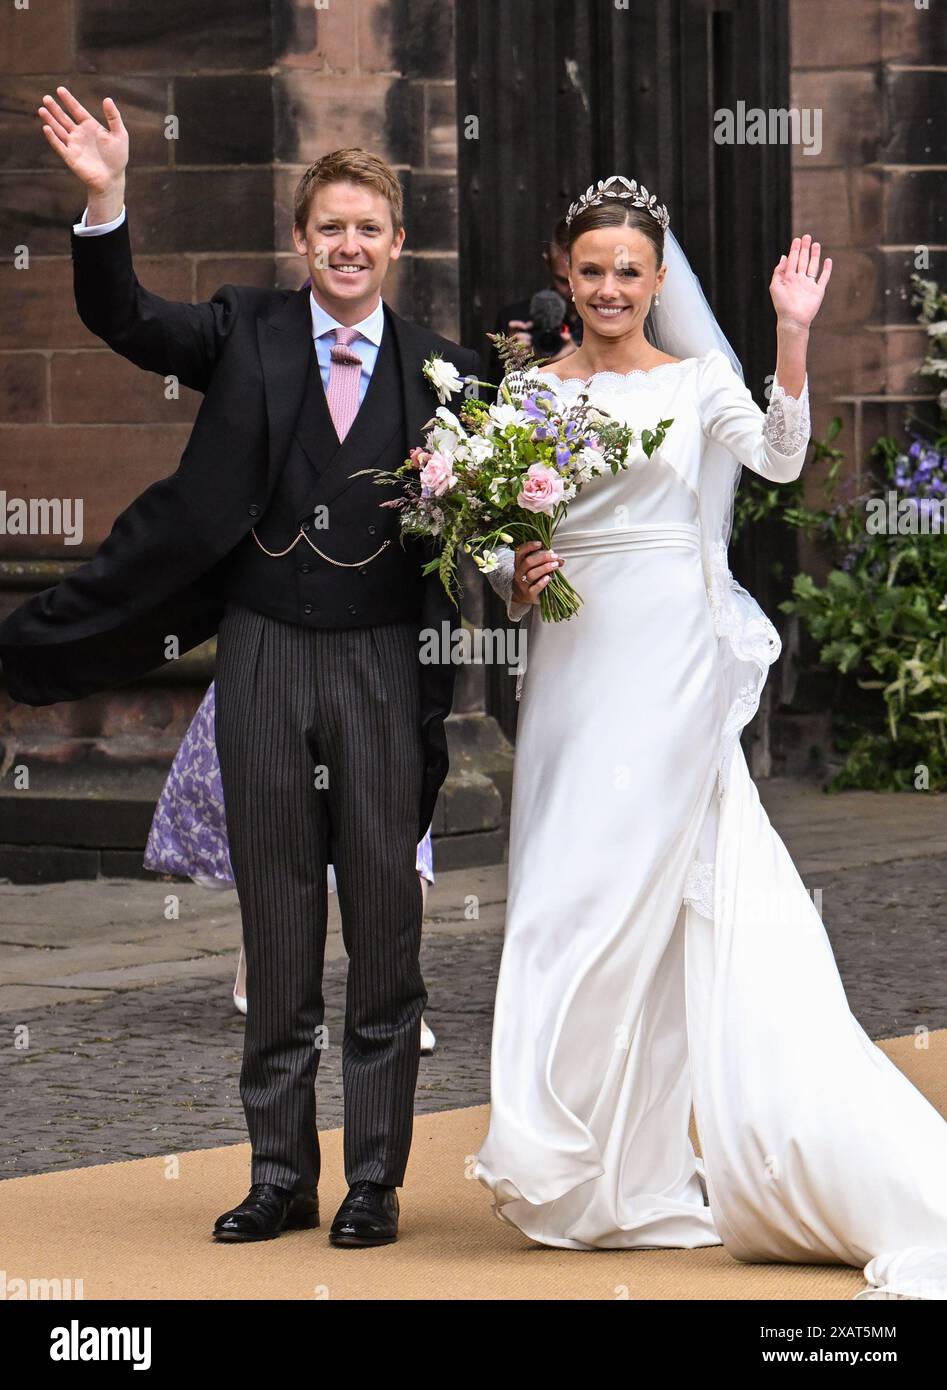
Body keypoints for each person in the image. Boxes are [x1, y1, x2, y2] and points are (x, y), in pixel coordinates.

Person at [0, 86, 479, 1247]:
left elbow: (532, 478)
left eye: (369, 227)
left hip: (377, 661)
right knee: (274, 931)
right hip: (261, 655)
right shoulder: (243, 331)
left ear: (396, 244)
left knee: (383, 929)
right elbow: (126, 319)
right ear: (300, 242)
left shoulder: (449, 375)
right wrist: (108, 199)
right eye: (330, 228)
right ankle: (279, 1173)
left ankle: (371, 1177)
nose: (349, 245)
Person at [473, 174, 947, 1300]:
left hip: (667, 662)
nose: (608, 289)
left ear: (655, 278)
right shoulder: (523, 394)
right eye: (589, 270)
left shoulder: (694, 383)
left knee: (625, 888)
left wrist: (788, 336)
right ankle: (591, 1170)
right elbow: (499, 552)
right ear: (563, 271)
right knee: (560, 893)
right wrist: (512, 574)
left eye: (628, 271)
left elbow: (779, 456)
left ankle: (609, 1157)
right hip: (570, 664)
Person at [142, 678, 438, 1052]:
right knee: (277, 837)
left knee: (403, 852)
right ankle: (263, 959)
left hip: (373, 671)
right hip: (278, 667)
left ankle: (396, 996)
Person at [485, 216, 581, 385]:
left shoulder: (605, 319)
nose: (572, 291)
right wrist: (514, 362)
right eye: (563, 281)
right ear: (547, 263)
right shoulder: (515, 317)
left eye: (580, 280)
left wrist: (580, 359)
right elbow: (491, 399)